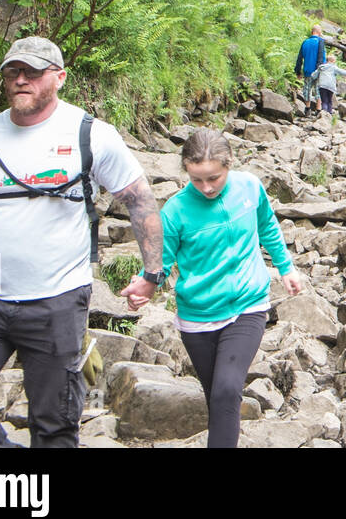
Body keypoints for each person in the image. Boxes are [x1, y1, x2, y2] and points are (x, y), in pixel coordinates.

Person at [0, 36, 163, 448]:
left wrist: (152, 271)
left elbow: (139, 201)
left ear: (59, 78)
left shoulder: (91, 136)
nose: (21, 79)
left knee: (55, 424)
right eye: (13, 71)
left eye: (33, 71)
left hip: (58, 300)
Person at [125, 129, 300, 448]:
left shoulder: (249, 187)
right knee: (217, 399)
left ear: (229, 165)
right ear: (186, 172)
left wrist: (286, 268)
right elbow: (161, 260)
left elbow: (268, 226)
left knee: (226, 390)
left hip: (248, 306)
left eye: (214, 178)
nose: (206, 187)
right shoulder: (176, 211)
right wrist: (146, 283)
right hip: (198, 318)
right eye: (197, 180)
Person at [294, 24, 326, 112]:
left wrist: (298, 71)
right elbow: (323, 58)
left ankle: (307, 108)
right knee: (318, 90)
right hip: (318, 71)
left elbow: (300, 58)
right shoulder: (321, 42)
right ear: (319, 32)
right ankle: (318, 109)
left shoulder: (305, 42)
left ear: (312, 31)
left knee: (307, 89)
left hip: (307, 70)